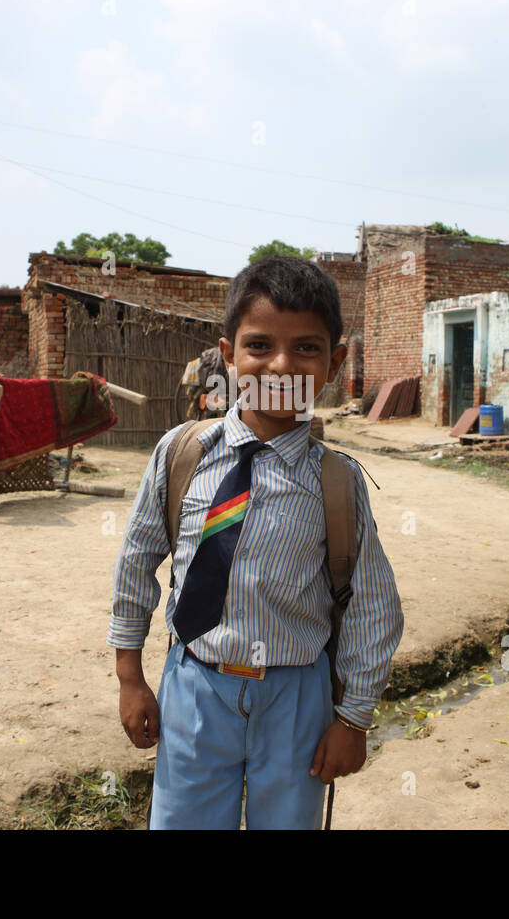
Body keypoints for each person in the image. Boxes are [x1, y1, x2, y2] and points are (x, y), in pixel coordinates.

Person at [109, 256, 404, 829]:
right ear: (228, 355)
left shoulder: (336, 483)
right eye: (260, 345)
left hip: (297, 700)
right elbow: (135, 565)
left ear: (336, 362)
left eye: (307, 349)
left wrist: (354, 720)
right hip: (195, 685)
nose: (281, 365)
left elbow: (373, 607)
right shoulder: (181, 455)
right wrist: (129, 678)